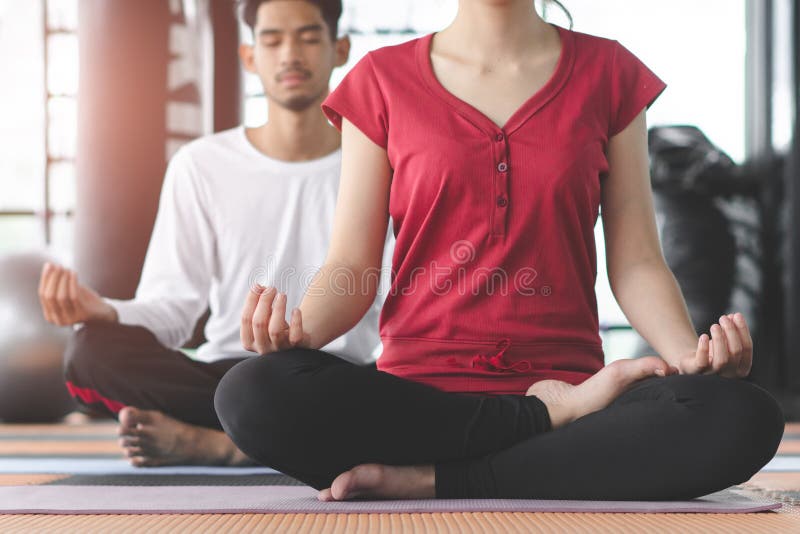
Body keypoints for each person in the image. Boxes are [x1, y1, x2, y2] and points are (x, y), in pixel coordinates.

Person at [214, 0, 785, 501]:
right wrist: (299, 334)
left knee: (742, 415)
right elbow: (351, 264)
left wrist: (691, 357)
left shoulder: (609, 73)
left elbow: (636, 261)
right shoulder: (379, 80)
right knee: (252, 391)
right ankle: (538, 425)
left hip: (578, 392)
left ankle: (436, 481)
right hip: (423, 403)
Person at [38, 0, 390, 467]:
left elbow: (392, 305)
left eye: (307, 37)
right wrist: (105, 310)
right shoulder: (201, 165)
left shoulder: (375, 165)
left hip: (328, 373)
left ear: (339, 48)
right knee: (91, 351)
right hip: (229, 377)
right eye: (272, 39)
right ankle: (269, 432)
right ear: (249, 57)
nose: (290, 54)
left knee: (410, 383)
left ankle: (224, 444)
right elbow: (173, 309)